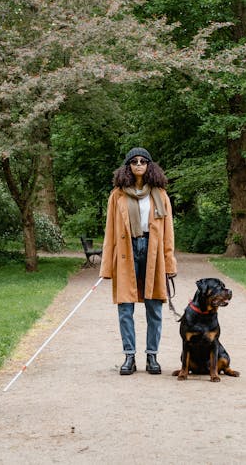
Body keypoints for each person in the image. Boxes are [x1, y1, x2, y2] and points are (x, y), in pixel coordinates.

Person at [99, 147, 177, 375]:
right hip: (127, 249)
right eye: (134, 161)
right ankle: (129, 357)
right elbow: (110, 232)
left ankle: (152, 357)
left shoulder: (160, 194)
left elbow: (168, 232)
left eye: (143, 161)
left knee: (154, 307)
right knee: (125, 307)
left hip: (152, 249)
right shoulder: (117, 195)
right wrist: (106, 266)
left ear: (150, 165)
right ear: (128, 166)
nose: (139, 164)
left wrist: (169, 263)